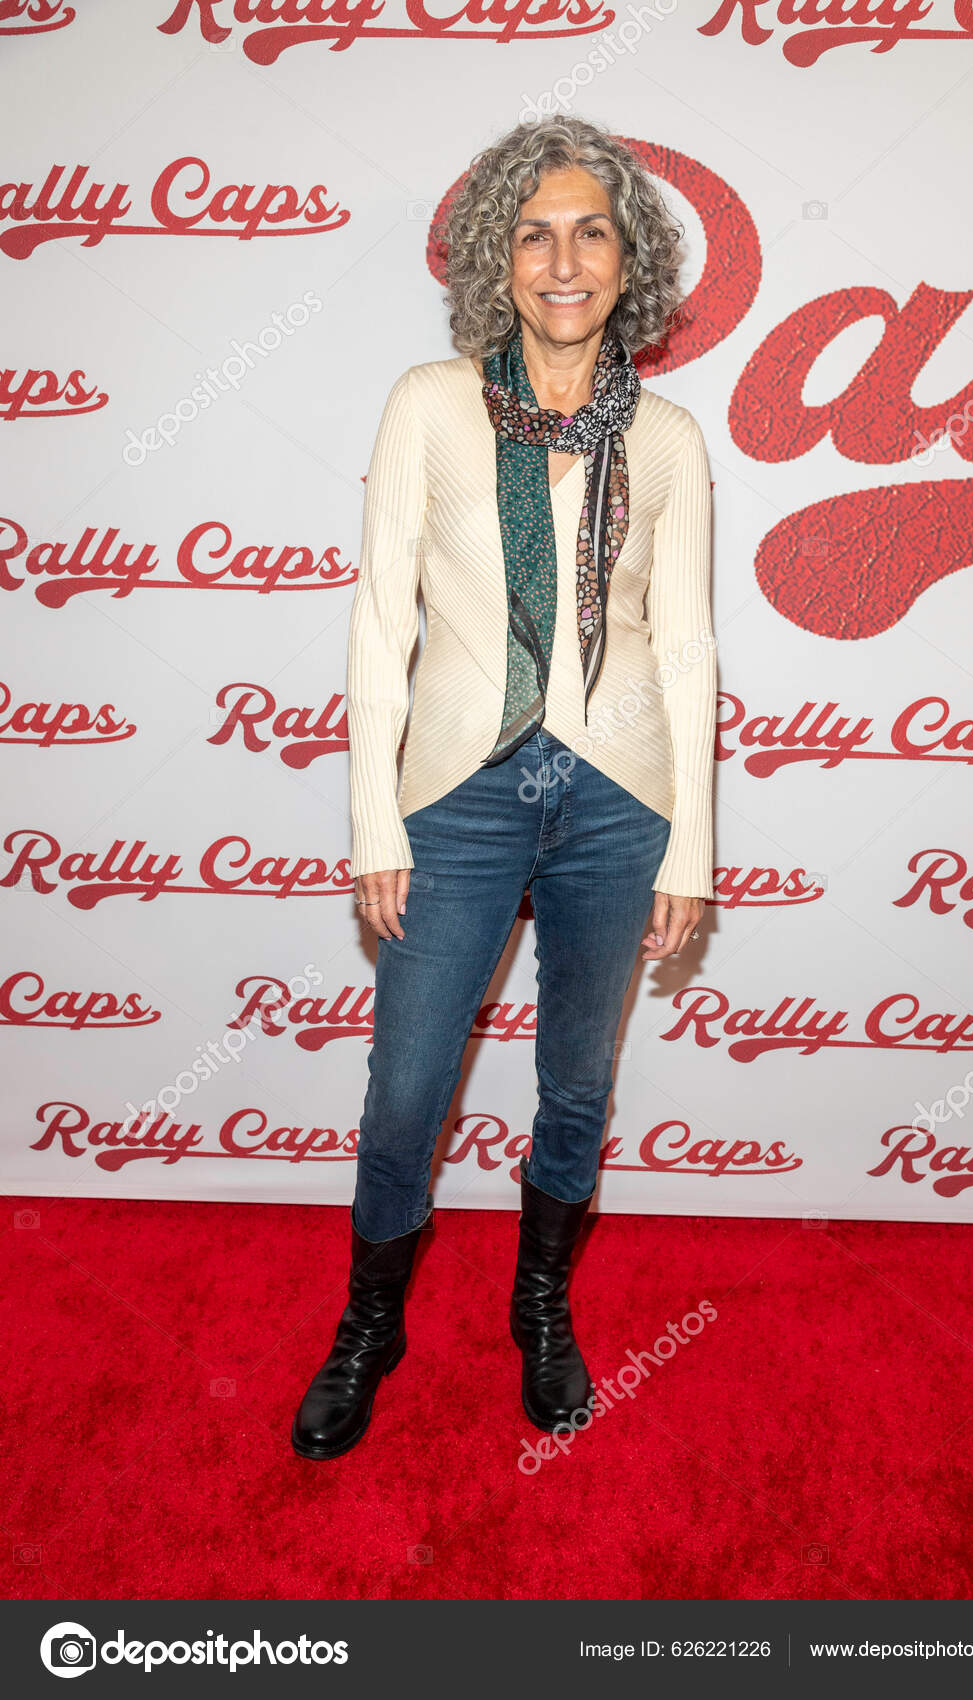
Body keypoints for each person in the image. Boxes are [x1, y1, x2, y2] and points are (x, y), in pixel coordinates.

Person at [291, 114, 717, 1461]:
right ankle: (373, 1323)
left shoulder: (667, 437)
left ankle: (541, 1306)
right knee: (409, 1087)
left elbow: (689, 644)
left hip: (616, 795)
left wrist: (691, 847)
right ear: (498, 257)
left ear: (627, 255)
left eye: (591, 229)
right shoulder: (428, 403)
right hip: (457, 794)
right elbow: (380, 624)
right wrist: (373, 817)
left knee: (577, 1086)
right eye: (534, 231)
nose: (563, 257)